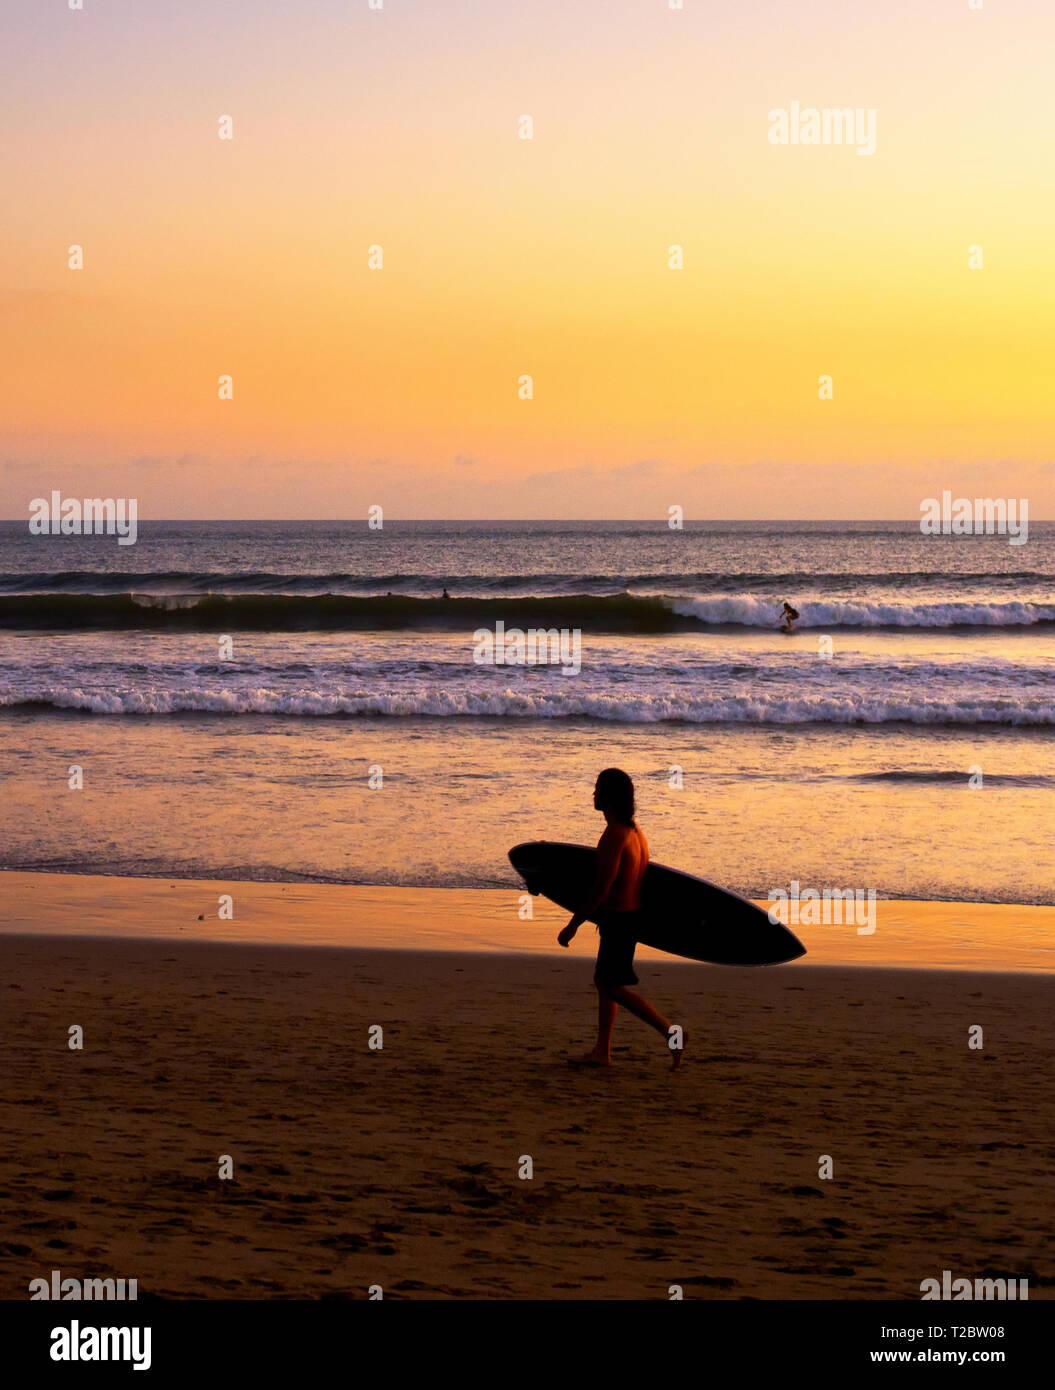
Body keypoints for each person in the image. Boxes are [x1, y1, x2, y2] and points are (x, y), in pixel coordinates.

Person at [558, 768, 684, 1070]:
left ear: (610, 797)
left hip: (620, 921)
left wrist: (572, 925)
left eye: (598, 788)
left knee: (610, 986)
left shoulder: (615, 835)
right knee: (606, 983)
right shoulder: (635, 831)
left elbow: (601, 886)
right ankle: (603, 1050)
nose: (594, 793)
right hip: (629, 917)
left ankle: (671, 1033)